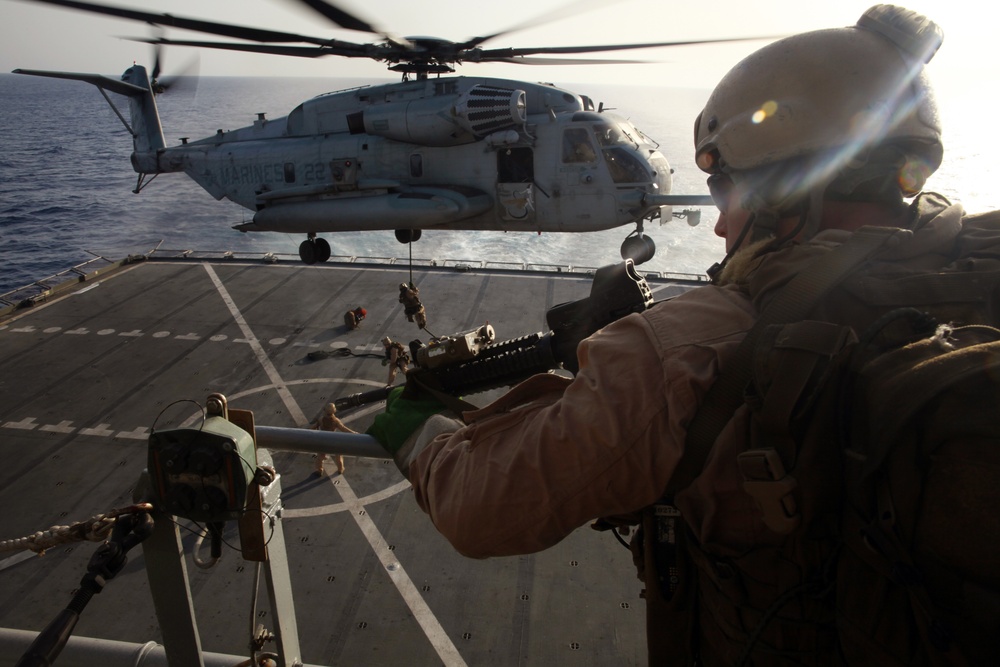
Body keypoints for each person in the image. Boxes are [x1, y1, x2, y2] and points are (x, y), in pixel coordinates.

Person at [368, 6, 989, 665]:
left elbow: (482, 505)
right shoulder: (974, 272)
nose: (720, 227)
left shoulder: (676, 354)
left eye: (727, 191)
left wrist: (421, 433)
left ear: (786, 187)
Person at [311, 403, 351, 475]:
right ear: (334, 411)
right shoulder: (336, 421)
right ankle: (340, 469)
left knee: (320, 457)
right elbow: (343, 429)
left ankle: (320, 470)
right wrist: (354, 433)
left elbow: (313, 427)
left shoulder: (321, 419)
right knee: (339, 456)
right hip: (333, 440)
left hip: (323, 440)